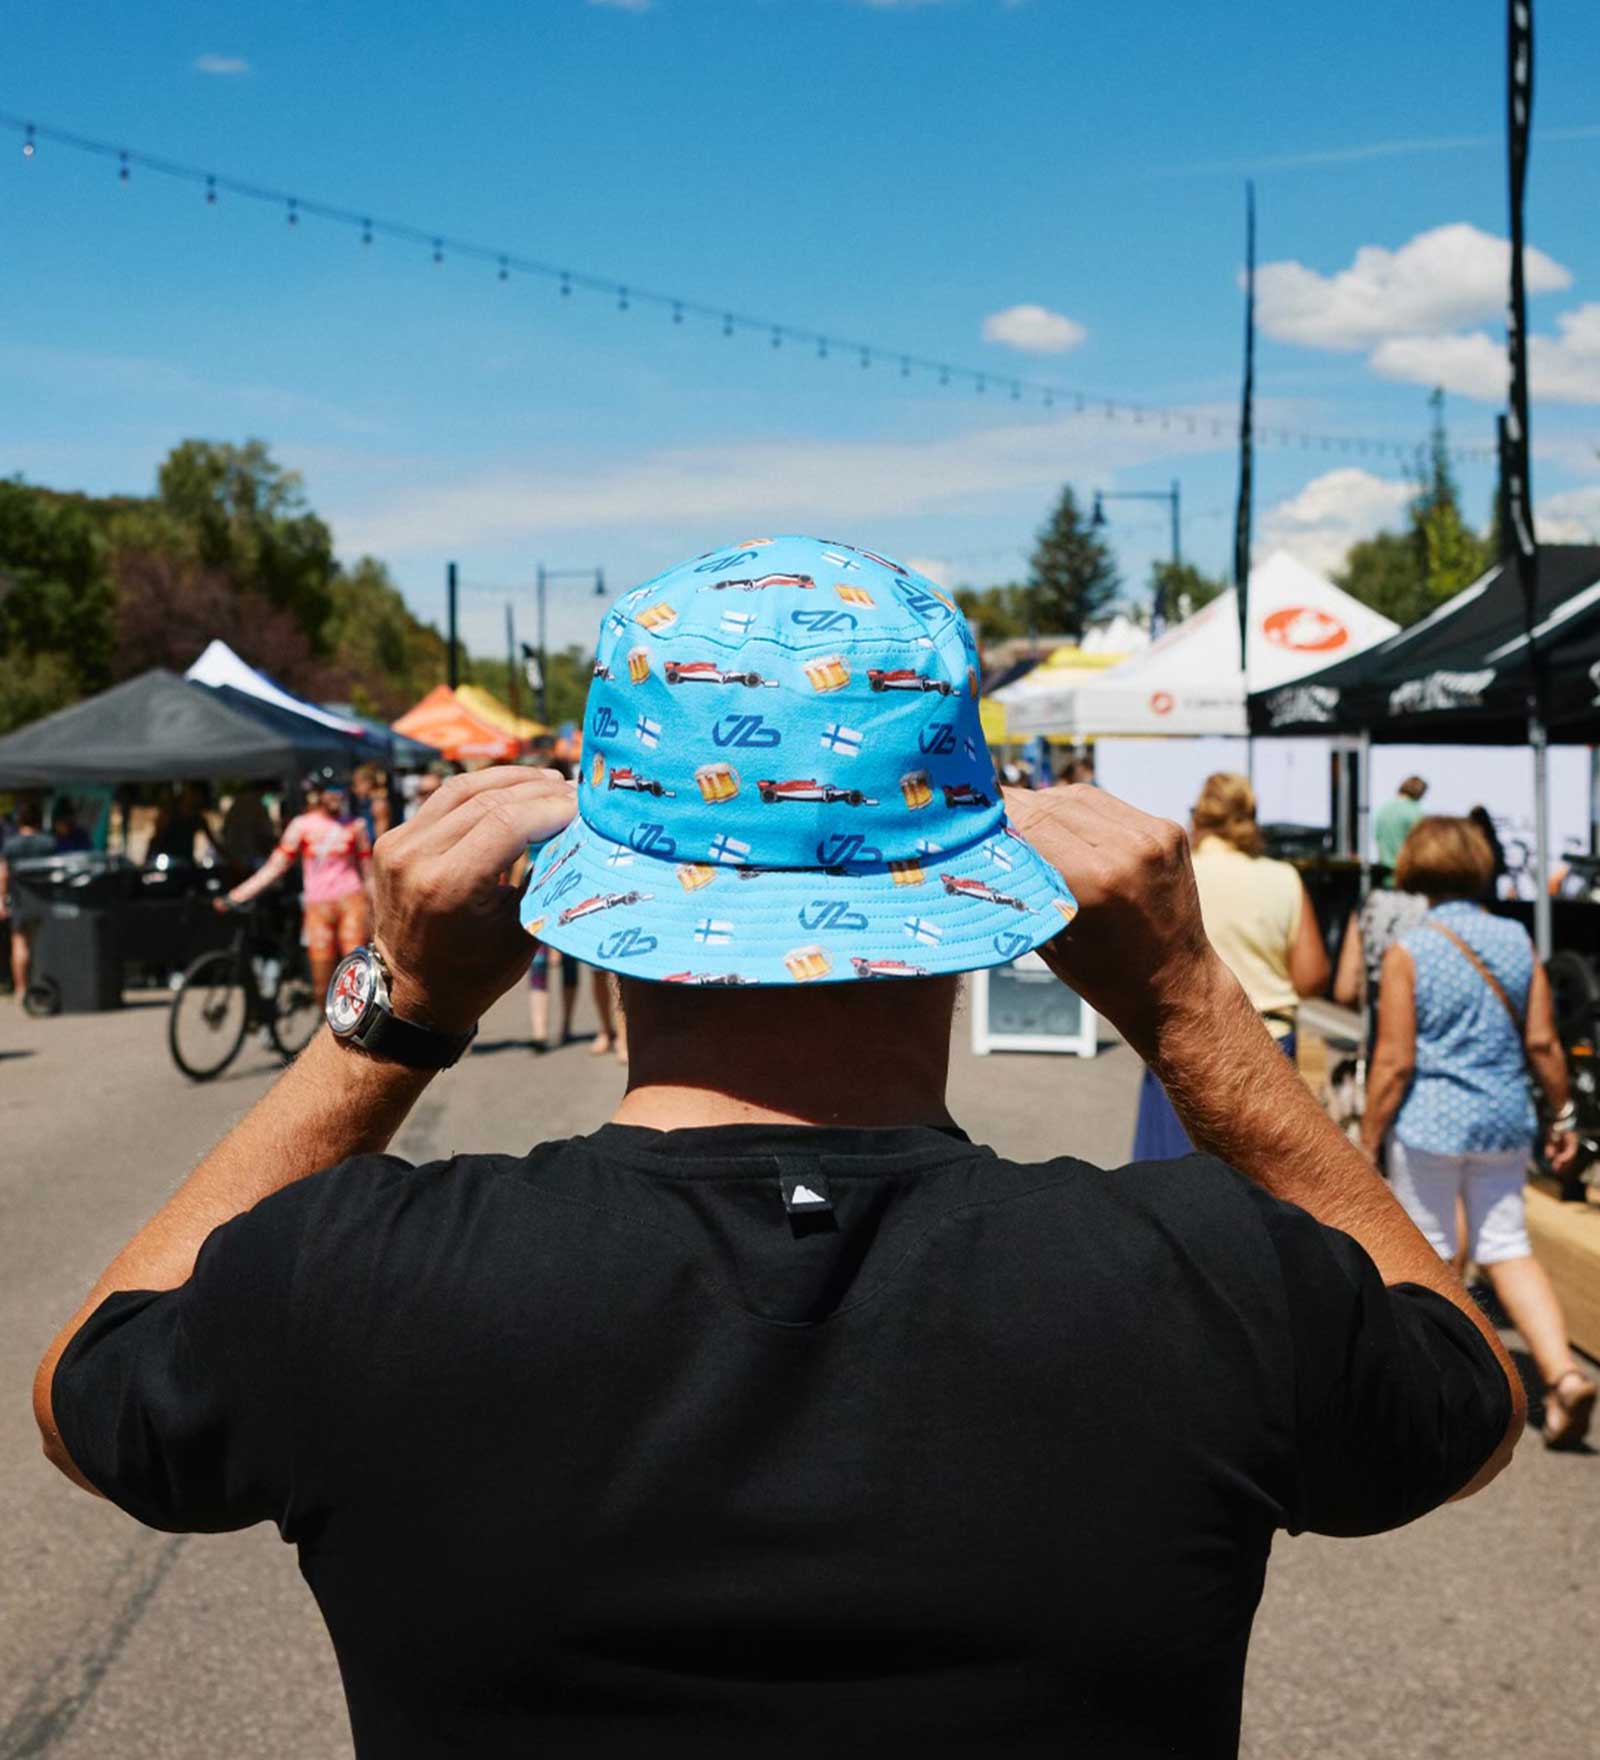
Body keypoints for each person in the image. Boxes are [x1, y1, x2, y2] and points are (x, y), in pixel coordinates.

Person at [36, 539, 1522, 1760]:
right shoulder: (1206, 1276)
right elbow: (1468, 1395)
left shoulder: (354, 1277)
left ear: (585, 882)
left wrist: (399, 1006)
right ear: (974, 884)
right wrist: (1191, 1005)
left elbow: (85, 1387)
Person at [1359, 815, 1594, 1449]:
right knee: (1507, 1246)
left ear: (1415, 869)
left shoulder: (1413, 948)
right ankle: (1563, 1375)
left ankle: (1444, 1397)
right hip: (1503, 1119)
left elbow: (1395, 1060)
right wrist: (1563, 1113)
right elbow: (1543, 1042)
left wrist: (1368, 1132)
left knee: (1431, 1253)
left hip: (1431, 1122)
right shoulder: (1517, 941)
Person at [1134, 771, 1329, 1160]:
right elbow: (1311, 977)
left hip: (1183, 1041)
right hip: (1267, 1042)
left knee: (1172, 1189)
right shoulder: (1283, 878)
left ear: (1199, 816)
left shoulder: (1172, 875)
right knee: (1263, 1187)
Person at [219, 772, 373, 1002]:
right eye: (331, 790)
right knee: (322, 982)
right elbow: (275, 867)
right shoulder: (301, 826)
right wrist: (238, 896)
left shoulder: (355, 826)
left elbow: (369, 875)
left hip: (352, 901)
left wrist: (380, 911)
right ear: (318, 794)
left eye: (340, 790)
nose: (336, 796)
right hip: (317, 907)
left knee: (356, 974)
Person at [1, 800, 58, 999]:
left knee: (19, 944)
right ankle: (42, 984)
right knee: (43, 943)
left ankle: (21, 989)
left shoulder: (10, 845)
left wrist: (1, 899)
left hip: (20, 898)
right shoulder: (48, 843)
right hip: (45, 898)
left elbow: (4, 874)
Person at [147, 783, 219, 866]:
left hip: (186, 863)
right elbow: (157, 837)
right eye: (195, 795)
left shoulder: (197, 819)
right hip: (166, 861)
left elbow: (214, 843)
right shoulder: (169, 812)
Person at [527, 938, 578, 1051]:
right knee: (538, 969)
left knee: (569, 969)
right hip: (540, 925)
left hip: (567, 926)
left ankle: (566, 1025)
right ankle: (539, 1033)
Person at [1374, 774, 1427, 876]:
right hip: (1406, 874)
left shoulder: (1383, 810)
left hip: (1384, 871)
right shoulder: (1415, 812)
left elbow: (1377, 837)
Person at [1467, 805, 1507, 900]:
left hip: (1476, 894)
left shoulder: (1468, 845)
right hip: (1488, 893)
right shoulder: (1494, 844)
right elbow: (1502, 869)